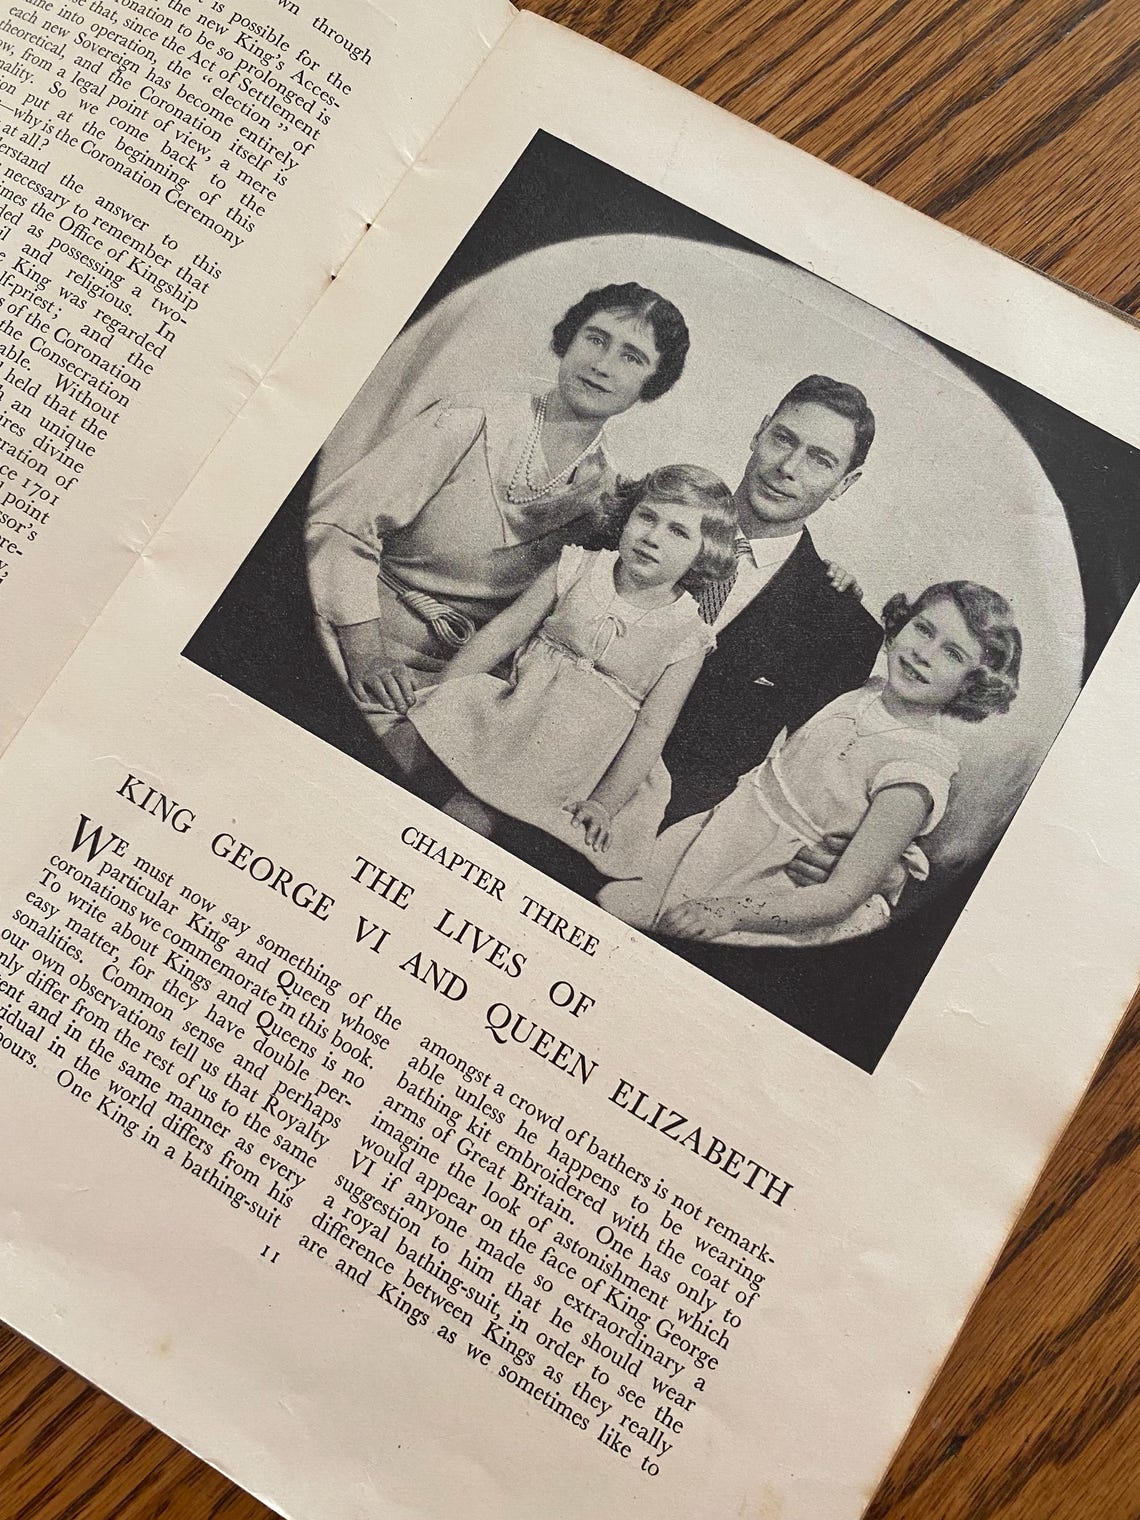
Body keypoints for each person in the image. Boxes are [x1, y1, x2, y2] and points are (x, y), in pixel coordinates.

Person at [305, 282, 691, 770]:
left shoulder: (607, 498)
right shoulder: (472, 418)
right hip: (352, 637)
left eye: (632, 357)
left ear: (651, 385)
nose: (602, 364)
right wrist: (366, 656)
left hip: (460, 677)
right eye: (595, 339)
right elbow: (341, 529)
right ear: (569, 339)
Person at [600, 581, 1022, 945]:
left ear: (974, 685)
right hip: (721, 838)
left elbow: (841, 895)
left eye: (952, 654)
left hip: (776, 894)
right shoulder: (869, 691)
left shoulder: (915, 771)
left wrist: (730, 912)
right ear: (900, 626)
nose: (924, 654)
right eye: (923, 629)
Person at [397, 466, 738, 877]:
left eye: (678, 532)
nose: (653, 537)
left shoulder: (688, 634)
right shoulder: (577, 567)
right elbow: (502, 634)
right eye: (647, 517)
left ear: (705, 553)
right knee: (407, 743)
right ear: (627, 516)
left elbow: (652, 728)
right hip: (515, 711)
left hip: (576, 757)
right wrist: (443, 690)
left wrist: (604, 804)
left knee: (473, 819)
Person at [660, 373, 884, 834]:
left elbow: (801, 778)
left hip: (674, 829)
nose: (788, 467)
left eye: (820, 460)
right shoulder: (653, 514)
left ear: (844, 483)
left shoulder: (846, 628)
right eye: (783, 439)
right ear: (759, 432)